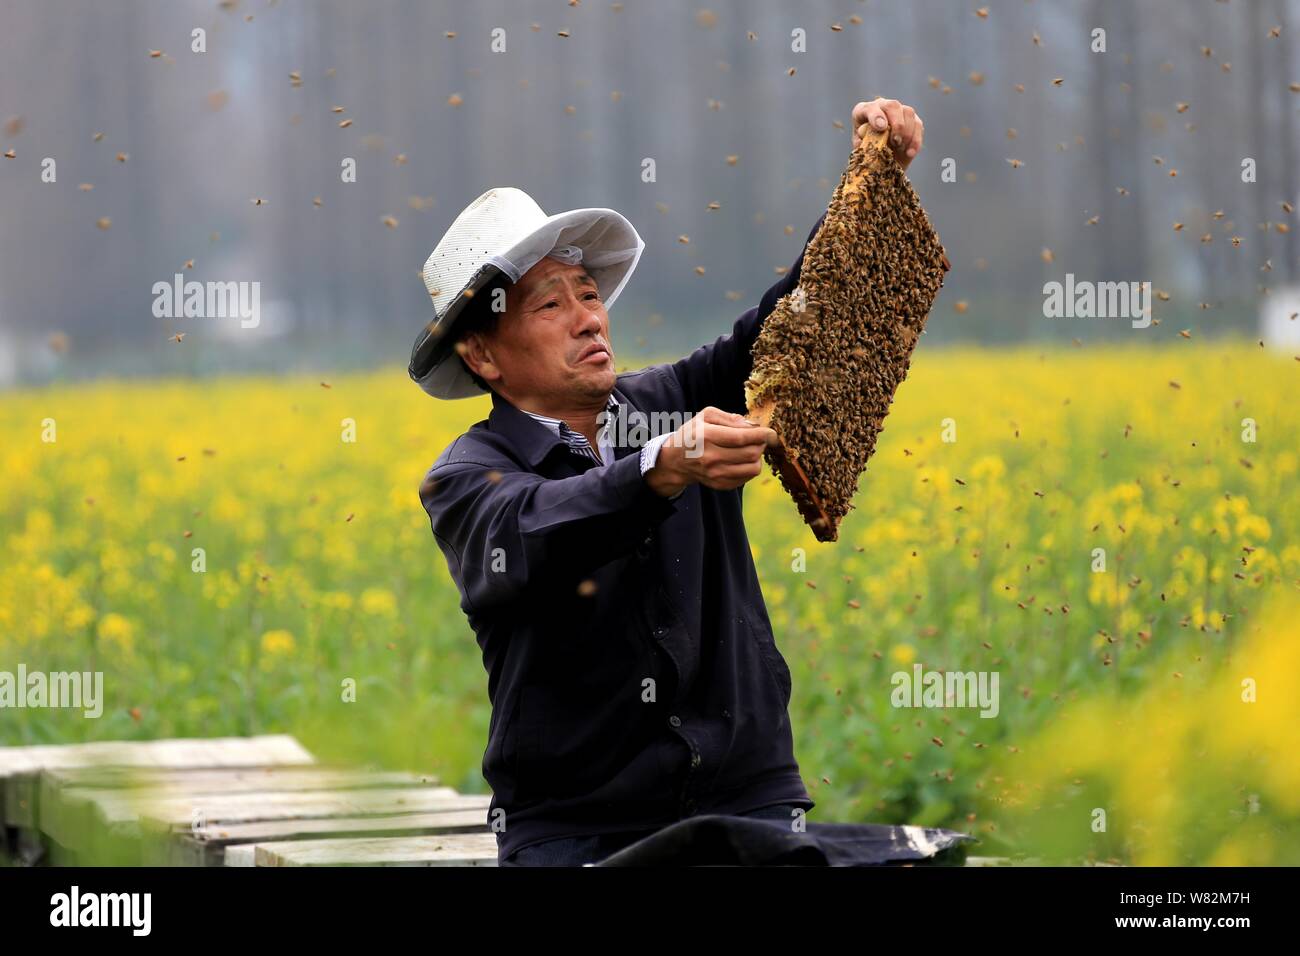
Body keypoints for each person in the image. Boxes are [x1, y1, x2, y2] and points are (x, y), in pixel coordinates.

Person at [410, 99, 925, 866]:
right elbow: (539, 529)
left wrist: (867, 188)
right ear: (483, 357)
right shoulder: (466, 480)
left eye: (588, 294)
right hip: (578, 831)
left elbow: (789, 324)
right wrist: (660, 467)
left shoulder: (675, 400)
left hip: (750, 806)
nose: (589, 318)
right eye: (551, 304)